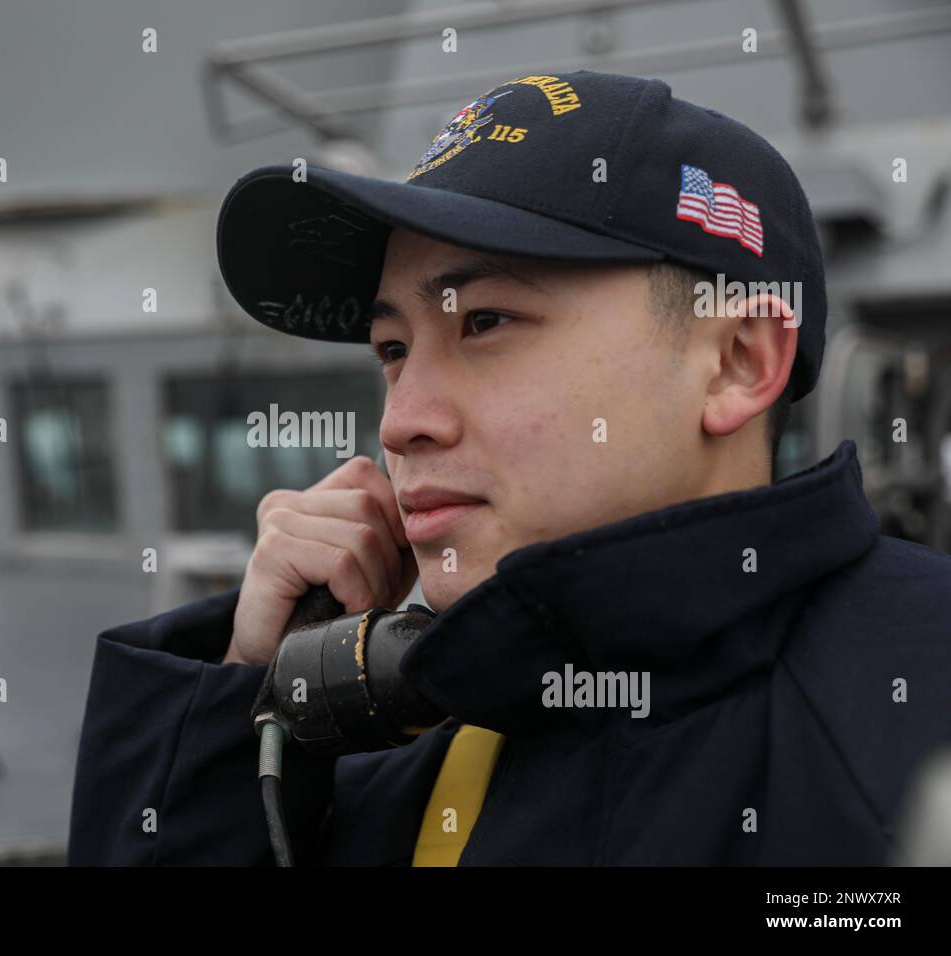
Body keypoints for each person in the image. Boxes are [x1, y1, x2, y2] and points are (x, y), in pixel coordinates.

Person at [67, 70, 951, 865]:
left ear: (737, 361)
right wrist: (240, 695)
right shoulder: (400, 738)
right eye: (392, 349)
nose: (400, 422)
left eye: (485, 322)